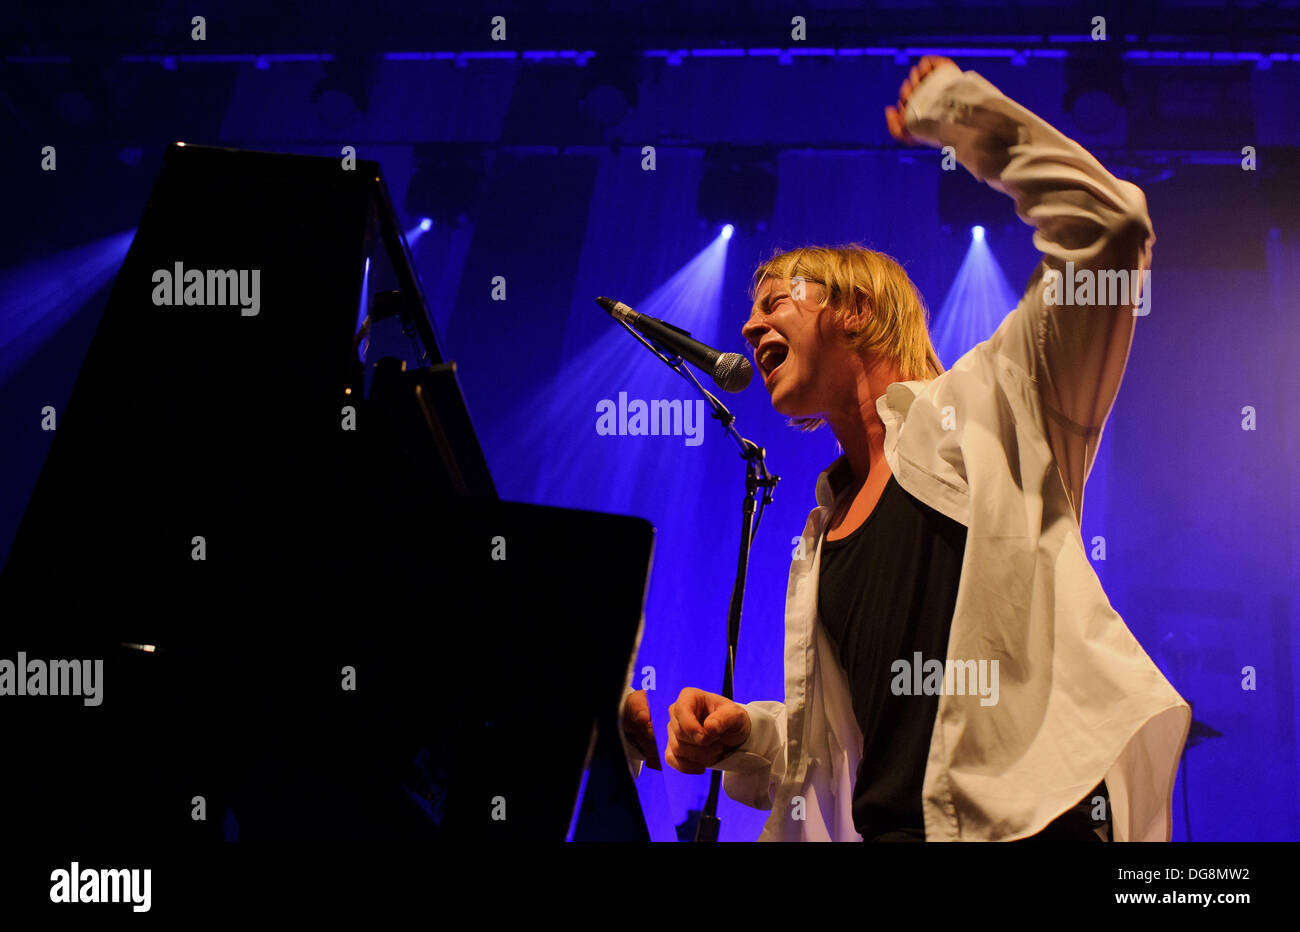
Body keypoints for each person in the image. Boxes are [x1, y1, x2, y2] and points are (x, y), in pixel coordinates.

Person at [620, 56, 1190, 841]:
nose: (749, 329)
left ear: (853, 311)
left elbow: (1109, 230)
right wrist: (745, 736)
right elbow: (850, 752)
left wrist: (960, 114)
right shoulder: (825, 528)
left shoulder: (998, 403)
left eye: (774, 303)